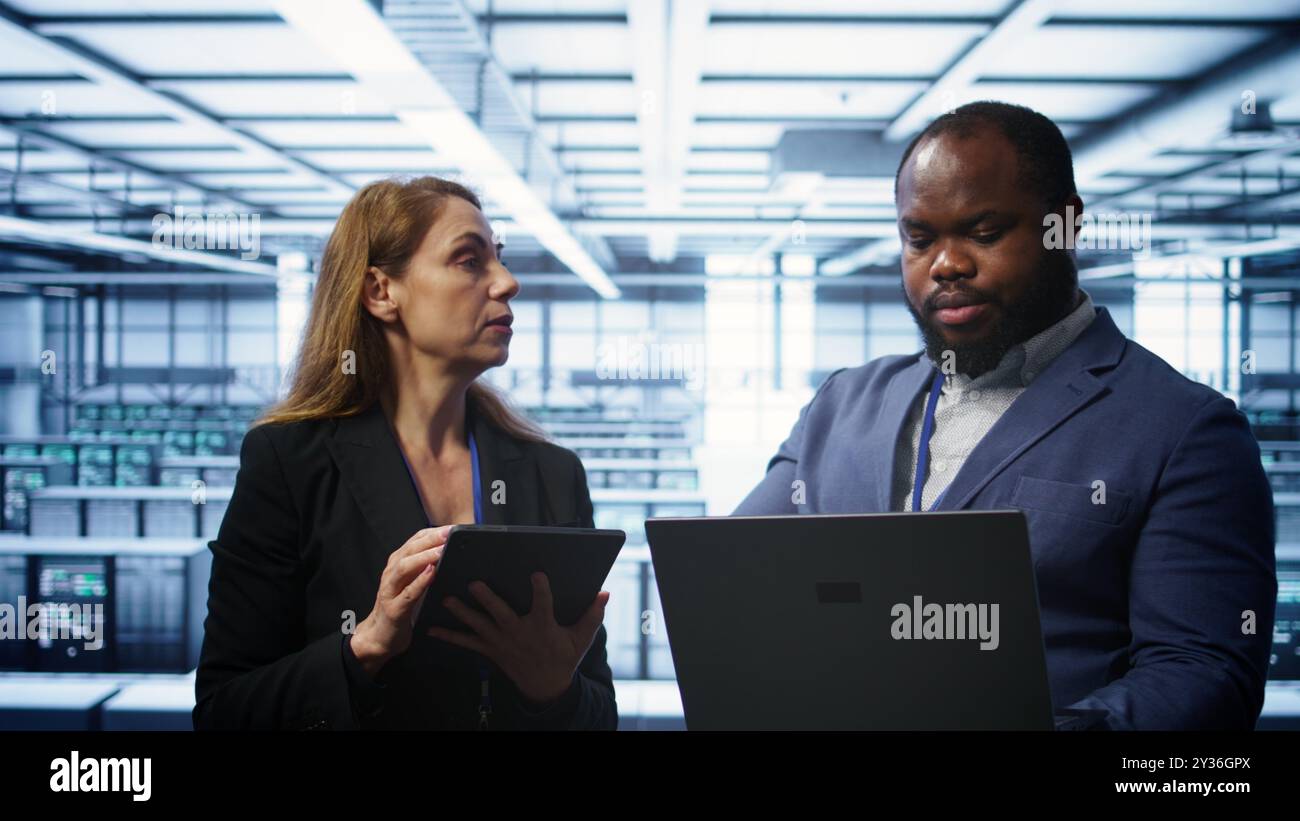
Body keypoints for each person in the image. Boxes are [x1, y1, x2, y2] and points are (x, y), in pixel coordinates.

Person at [735, 101, 1277, 730]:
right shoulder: (841, 404)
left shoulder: (1186, 430)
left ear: (1064, 226)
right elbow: (737, 578)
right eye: (919, 238)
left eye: (984, 233)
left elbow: (1203, 673)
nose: (946, 265)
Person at [193, 176, 617, 730]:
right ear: (380, 291)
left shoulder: (553, 474)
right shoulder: (289, 462)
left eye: (501, 259)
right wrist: (364, 647)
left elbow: (599, 716)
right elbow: (225, 712)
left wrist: (551, 690)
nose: (508, 283)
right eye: (469, 261)